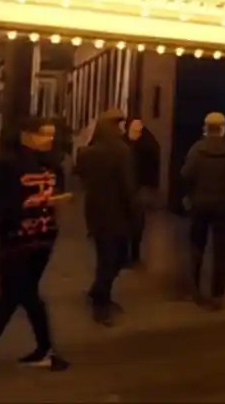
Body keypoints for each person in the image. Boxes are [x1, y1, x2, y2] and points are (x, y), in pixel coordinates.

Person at [0, 117, 71, 398]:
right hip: (15, 241)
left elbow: (56, 193)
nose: (48, 140)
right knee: (9, 300)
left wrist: (54, 201)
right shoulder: (6, 166)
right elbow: (2, 205)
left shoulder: (53, 164)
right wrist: (38, 202)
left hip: (43, 239)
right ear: (26, 135)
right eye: (44, 135)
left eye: (52, 136)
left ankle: (43, 350)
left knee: (29, 295)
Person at [75, 108, 139, 326]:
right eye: (120, 124)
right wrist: (134, 213)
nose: (123, 128)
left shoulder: (88, 152)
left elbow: (80, 174)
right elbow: (127, 185)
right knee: (114, 259)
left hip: (95, 211)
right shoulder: (121, 151)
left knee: (106, 257)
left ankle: (98, 292)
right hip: (116, 213)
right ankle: (100, 304)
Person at [181, 112, 225, 309]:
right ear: (223, 128)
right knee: (221, 250)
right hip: (223, 205)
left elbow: (186, 174)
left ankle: (194, 289)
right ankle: (217, 293)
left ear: (205, 127)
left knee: (196, 247)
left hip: (200, 204)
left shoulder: (197, 149)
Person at [124, 116, 161, 266]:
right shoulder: (145, 143)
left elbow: (153, 165)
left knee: (136, 221)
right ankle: (129, 253)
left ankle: (134, 253)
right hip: (128, 186)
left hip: (139, 186)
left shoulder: (147, 144)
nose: (136, 130)